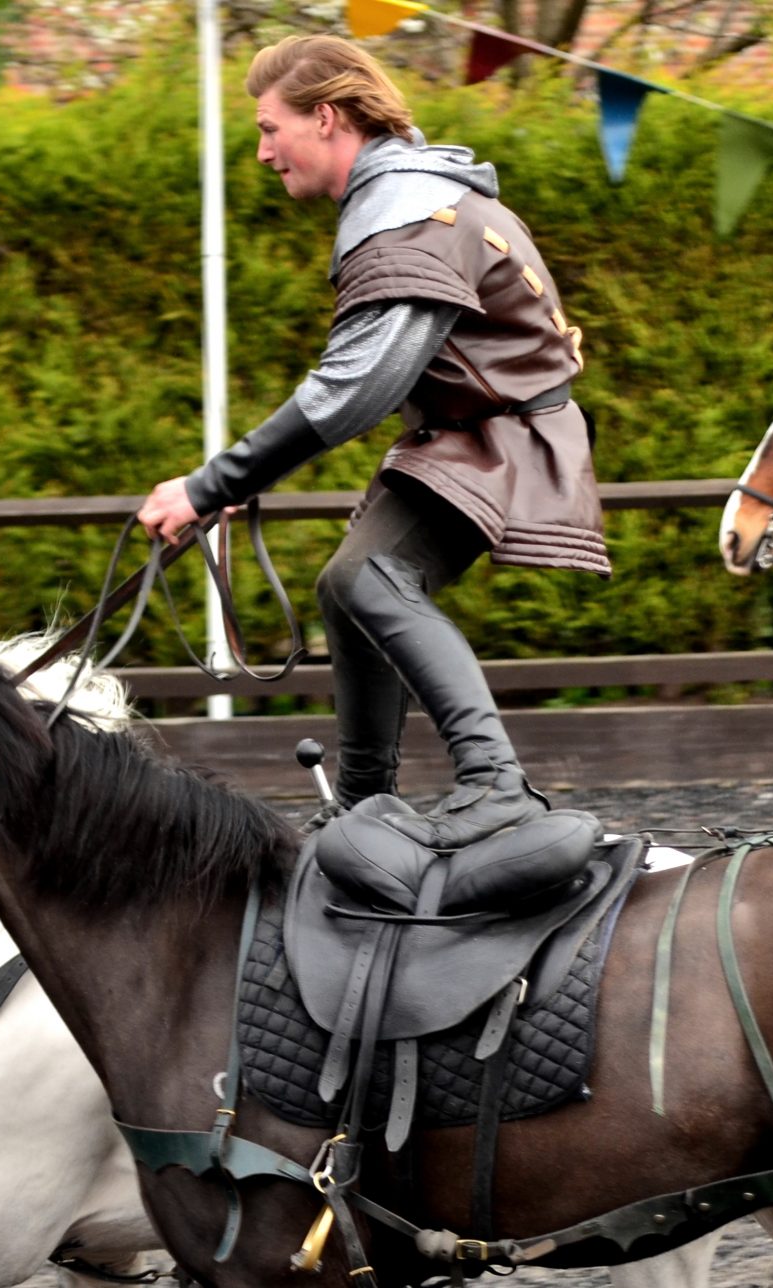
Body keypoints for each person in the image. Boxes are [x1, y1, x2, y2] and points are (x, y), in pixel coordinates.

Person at [135, 35, 606, 849]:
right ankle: (362, 803)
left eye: (268, 128)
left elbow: (356, 388)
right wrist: (247, 476)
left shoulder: (411, 213)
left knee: (370, 580)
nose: (260, 152)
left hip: (505, 438)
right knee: (344, 585)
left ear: (324, 118)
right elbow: (365, 383)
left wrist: (211, 485)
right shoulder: (403, 198)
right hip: (468, 433)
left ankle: (497, 784)